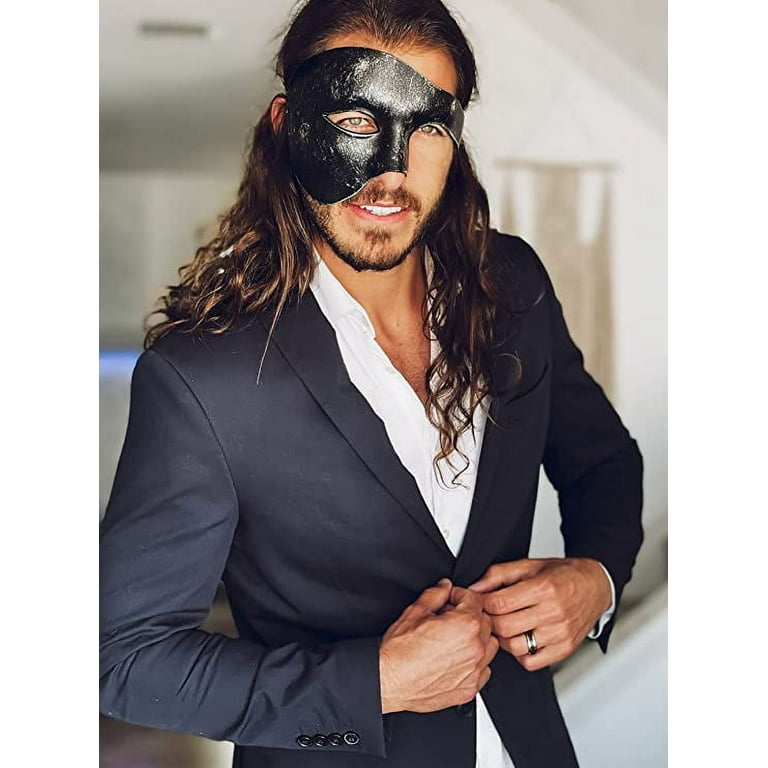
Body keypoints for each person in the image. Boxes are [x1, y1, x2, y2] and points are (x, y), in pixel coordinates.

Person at [99, 1, 643, 766]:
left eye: (428, 127)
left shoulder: (512, 285)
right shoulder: (203, 377)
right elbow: (124, 660)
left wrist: (596, 579)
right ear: (287, 126)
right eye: (356, 121)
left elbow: (605, 462)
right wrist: (372, 683)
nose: (392, 174)